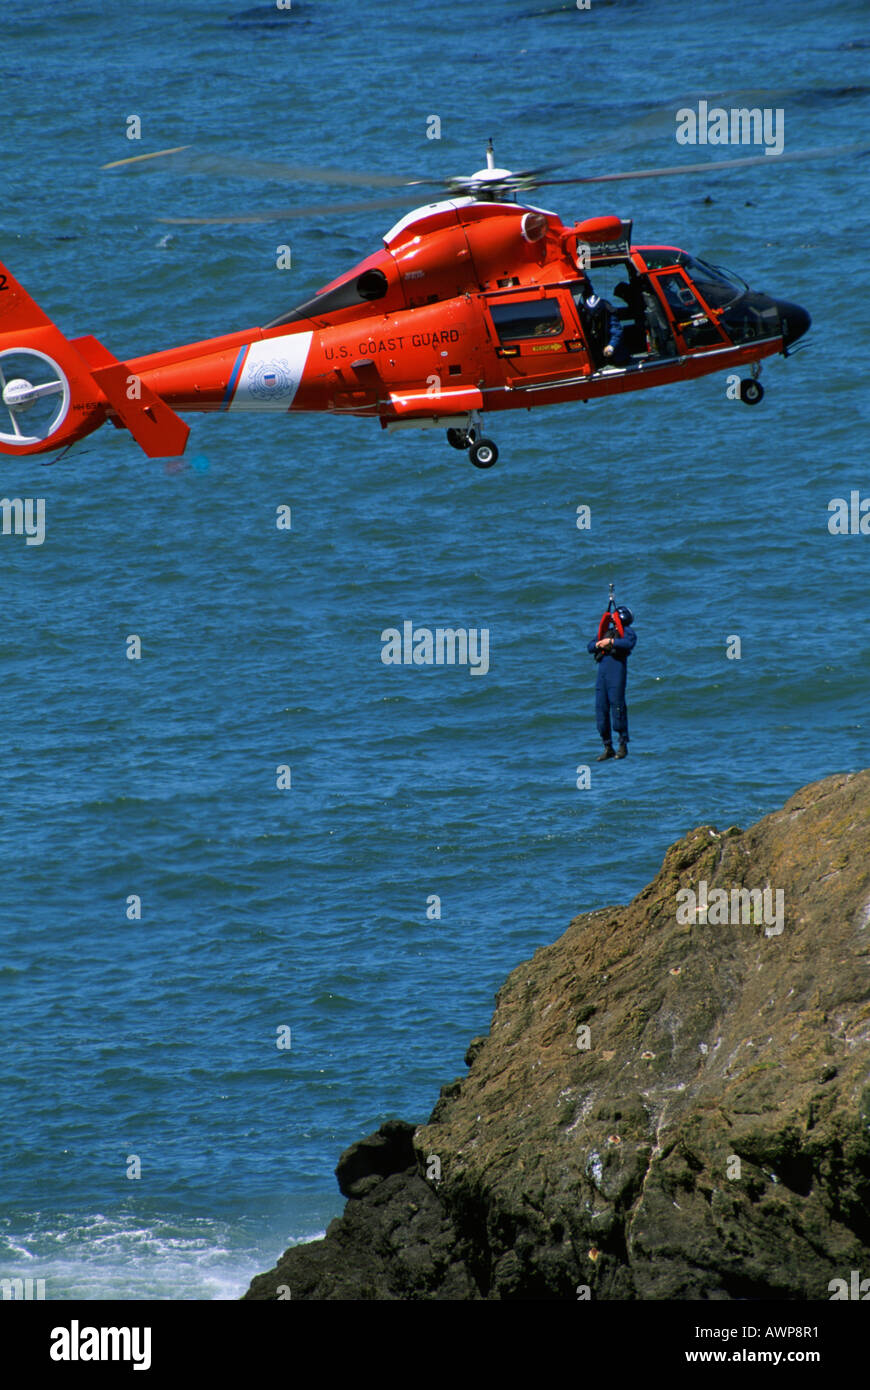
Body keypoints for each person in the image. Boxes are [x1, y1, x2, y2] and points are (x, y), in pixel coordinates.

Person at [587, 605, 637, 760]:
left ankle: (623, 744)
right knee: (601, 709)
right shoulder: (605, 633)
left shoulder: (627, 632)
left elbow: (628, 644)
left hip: (616, 673)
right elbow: (590, 646)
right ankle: (607, 746)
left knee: (617, 706)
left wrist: (612, 642)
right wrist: (599, 644)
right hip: (602, 676)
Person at [573, 277, 630, 367]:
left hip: (611, 345)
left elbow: (616, 331)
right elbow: (587, 289)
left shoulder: (608, 313)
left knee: (619, 356)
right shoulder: (588, 310)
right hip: (597, 343)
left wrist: (611, 346)